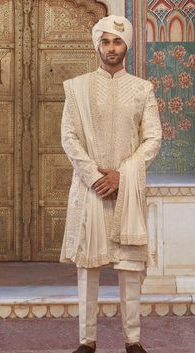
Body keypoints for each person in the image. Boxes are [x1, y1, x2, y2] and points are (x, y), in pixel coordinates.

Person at [60, 14, 162, 353]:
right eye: (105, 41)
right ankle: (86, 341)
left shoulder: (142, 89)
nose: (111, 48)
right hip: (91, 190)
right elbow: (69, 137)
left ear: (127, 46)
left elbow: (152, 138)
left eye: (117, 41)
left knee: (130, 267)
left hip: (126, 191)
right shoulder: (77, 88)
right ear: (97, 45)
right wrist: (94, 176)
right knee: (88, 268)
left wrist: (123, 174)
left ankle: (132, 340)